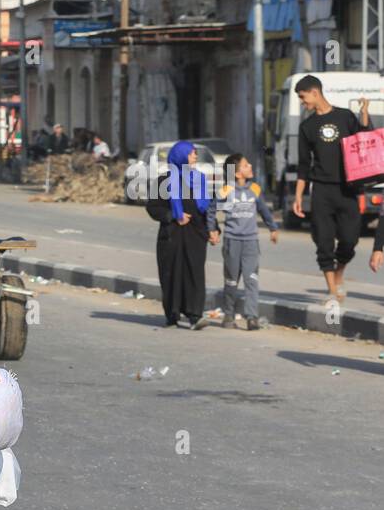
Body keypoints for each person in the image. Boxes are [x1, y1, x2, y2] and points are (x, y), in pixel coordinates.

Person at [292, 75, 373, 304]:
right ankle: (331, 292)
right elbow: (303, 165)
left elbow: (363, 139)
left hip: (347, 189)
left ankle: (339, 274)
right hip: (322, 191)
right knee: (324, 242)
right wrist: (298, 196)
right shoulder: (306, 127)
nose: (302, 101)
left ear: (315, 92)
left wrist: (364, 112)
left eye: (302, 96)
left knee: (349, 241)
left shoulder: (345, 117)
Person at [209, 152, 279, 330]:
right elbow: (211, 210)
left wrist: (272, 228)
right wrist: (212, 230)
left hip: (250, 242)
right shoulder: (226, 191)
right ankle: (229, 315)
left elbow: (263, 210)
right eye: (246, 165)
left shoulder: (255, 189)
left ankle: (252, 317)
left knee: (252, 279)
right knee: (231, 281)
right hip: (232, 242)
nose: (250, 167)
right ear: (237, 173)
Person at [149, 141, 211, 329]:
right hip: (172, 236)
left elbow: (208, 208)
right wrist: (174, 216)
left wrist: (213, 230)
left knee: (195, 274)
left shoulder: (199, 179)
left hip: (195, 236)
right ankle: (172, 313)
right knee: (171, 275)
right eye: (192, 153)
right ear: (181, 156)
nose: (195, 157)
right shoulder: (164, 181)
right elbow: (153, 207)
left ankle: (195, 315)